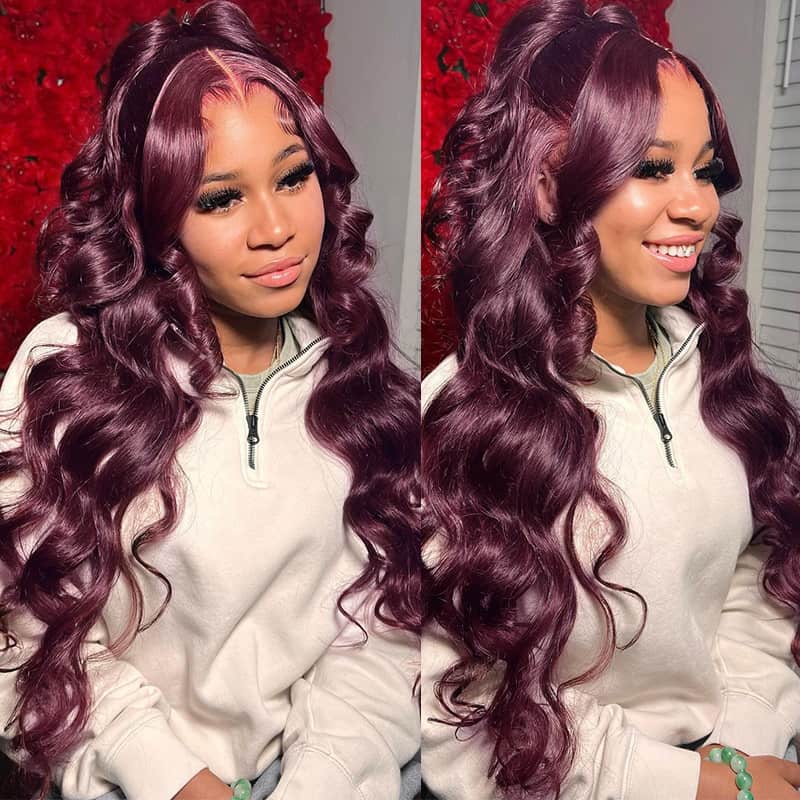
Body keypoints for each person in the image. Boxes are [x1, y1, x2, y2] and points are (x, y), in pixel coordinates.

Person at [0, 3, 421, 800]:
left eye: (293, 177)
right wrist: (174, 779)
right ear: (155, 219)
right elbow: (26, 631)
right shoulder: (65, 373)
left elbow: (382, 636)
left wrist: (321, 780)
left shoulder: (366, 385)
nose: (276, 228)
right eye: (220, 199)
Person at [420, 1, 800, 799]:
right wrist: (697, 784)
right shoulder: (460, 419)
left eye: (704, 169)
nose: (697, 206)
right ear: (546, 186)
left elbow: (755, 580)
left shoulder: (722, 377)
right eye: (652, 169)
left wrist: (740, 747)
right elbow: (469, 720)